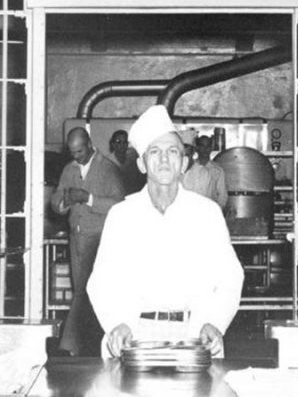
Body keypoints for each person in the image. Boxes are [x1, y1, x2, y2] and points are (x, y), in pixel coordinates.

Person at [87, 105, 243, 359]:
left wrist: (215, 322)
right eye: (154, 152)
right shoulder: (122, 216)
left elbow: (231, 277)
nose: (163, 159)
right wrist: (117, 323)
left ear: (183, 164)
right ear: (141, 163)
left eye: (172, 151)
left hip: (195, 338)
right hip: (134, 339)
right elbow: (102, 282)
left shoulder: (207, 213)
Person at [50, 127, 124, 356]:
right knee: (82, 292)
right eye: (72, 152)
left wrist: (88, 198)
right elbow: (55, 200)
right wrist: (63, 202)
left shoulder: (109, 169)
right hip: (77, 239)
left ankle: (69, 344)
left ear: (90, 144)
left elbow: (119, 205)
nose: (75, 156)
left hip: (100, 239)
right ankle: (87, 346)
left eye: (79, 151)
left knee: (86, 292)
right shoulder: (69, 169)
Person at [182, 134, 228, 212]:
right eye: (202, 146)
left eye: (208, 146)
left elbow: (222, 195)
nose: (205, 149)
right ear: (197, 148)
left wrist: (217, 212)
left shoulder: (217, 170)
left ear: (211, 148)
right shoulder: (189, 167)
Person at [108, 129, 145, 195]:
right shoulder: (107, 161)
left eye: (125, 142)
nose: (122, 144)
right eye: (118, 141)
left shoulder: (133, 159)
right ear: (113, 144)